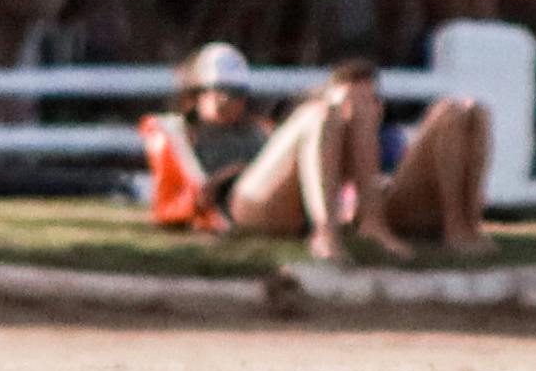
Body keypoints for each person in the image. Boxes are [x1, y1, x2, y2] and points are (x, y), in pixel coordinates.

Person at [152, 46, 491, 264]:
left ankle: (379, 222)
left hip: (284, 195)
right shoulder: (182, 132)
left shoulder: (258, 129)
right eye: (217, 91)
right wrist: (227, 176)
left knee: (349, 107)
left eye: (236, 92)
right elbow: (187, 190)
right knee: (321, 113)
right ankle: (326, 233)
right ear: (195, 94)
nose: (227, 100)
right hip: (238, 201)